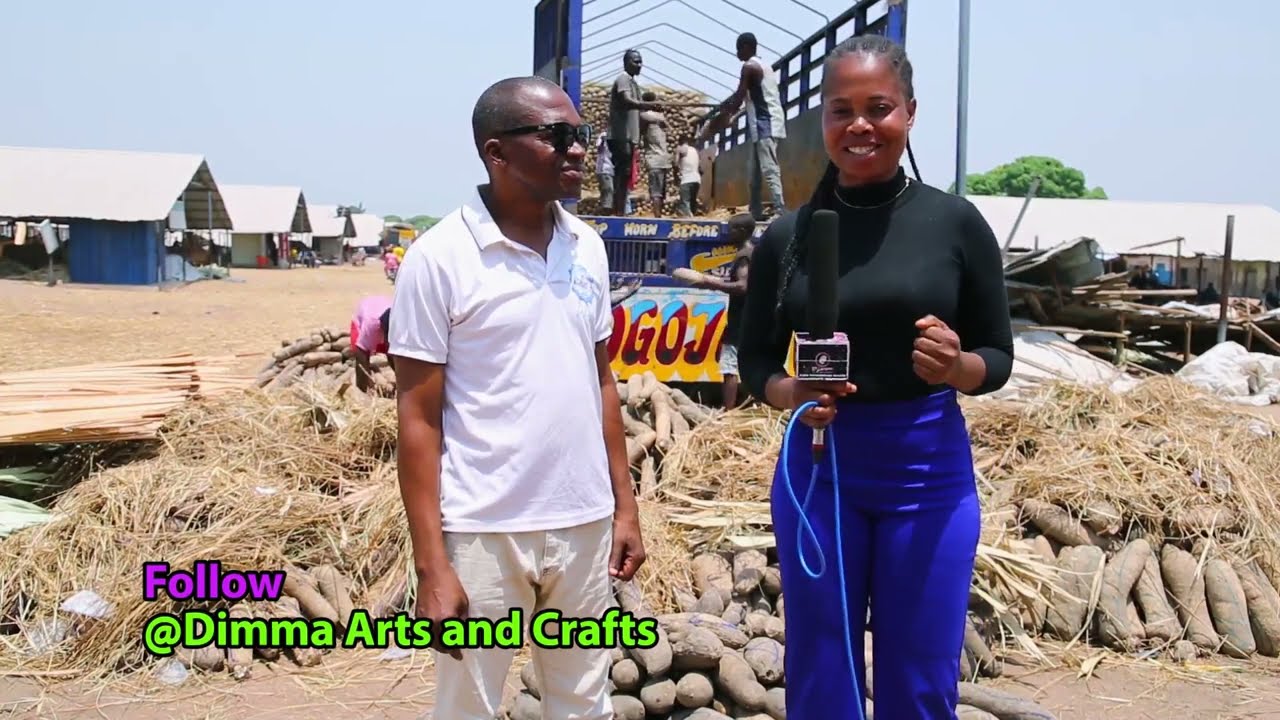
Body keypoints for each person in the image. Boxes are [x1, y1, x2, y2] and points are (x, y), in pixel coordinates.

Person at [735, 36, 1013, 719]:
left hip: (926, 473)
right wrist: (790, 394)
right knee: (821, 664)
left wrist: (958, 367)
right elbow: (757, 359)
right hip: (819, 469)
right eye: (841, 110)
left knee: (919, 669)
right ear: (823, 121)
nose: (860, 126)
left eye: (878, 108)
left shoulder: (955, 223)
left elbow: (997, 357)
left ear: (910, 114)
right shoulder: (789, 236)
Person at [388, 75, 645, 720]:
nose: (579, 150)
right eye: (557, 136)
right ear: (496, 153)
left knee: (584, 702)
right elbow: (418, 418)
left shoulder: (585, 246)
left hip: (582, 526)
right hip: (482, 532)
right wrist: (431, 565)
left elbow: (601, 382)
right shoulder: (439, 259)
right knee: (469, 705)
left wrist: (624, 507)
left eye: (580, 135)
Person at [706, 32, 787, 220]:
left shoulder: (749, 67)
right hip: (761, 124)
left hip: (766, 123)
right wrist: (731, 112)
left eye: (738, 48)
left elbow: (739, 96)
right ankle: (755, 211)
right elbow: (748, 100)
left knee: (769, 169)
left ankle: (780, 209)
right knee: (754, 173)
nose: (737, 53)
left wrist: (724, 115)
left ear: (747, 47)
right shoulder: (764, 66)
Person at [683, 213, 756, 408]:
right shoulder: (752, 252)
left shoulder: (743, 256)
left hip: (740, 320)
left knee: (730, 367)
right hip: (749, 319)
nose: (727, 233)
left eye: (731, 229)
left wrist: (709, 283)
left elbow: (743, 286)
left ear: (741, 231)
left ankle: (729, 411)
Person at [608, 49, 660, 216]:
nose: (639, 65)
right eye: (635, 61)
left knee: (626, 174)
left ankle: (620, 210)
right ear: (626, 62)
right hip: (620, 135)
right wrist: (647, 105)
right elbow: (626, 100)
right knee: (621, 173)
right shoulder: (623, 79)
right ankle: (618, 211)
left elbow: (637, 112)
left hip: (630, 136)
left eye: (640, 62)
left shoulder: (634, 84)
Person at [350, 295, 394, 393]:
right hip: (364, 316)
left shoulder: (402, 323)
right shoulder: (371, 326)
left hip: (383, 306)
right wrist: (361, 392)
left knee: (393, 352)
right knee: (361, 356)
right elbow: (361, 354)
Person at [640, 91, 671, 216]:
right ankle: (660, 215)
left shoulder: (644, 115)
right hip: (664, 159)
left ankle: (657, 217)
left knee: (655, 192)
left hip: (654, 159)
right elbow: (667, 126)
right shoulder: (661, 117)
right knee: (662, 191)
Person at [675, 134, 702, 216]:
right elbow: (701, 168)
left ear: (680, 142)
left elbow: (675, 164)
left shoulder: (681, 149)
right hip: (697, 180)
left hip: (686, 180)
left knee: (685, 203)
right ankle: (694, 221)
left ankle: (689, 219)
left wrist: (676, 176)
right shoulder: (695, 150)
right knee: (692, 202)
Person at [595, 131, 615, 214]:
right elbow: (598, 147)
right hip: (604, 168)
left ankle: (605, 210)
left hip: (612, 169)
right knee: (608, 189)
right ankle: (606, 211)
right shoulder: (604, 135)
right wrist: (603, 141)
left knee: (607, 191)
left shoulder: (618, 136)